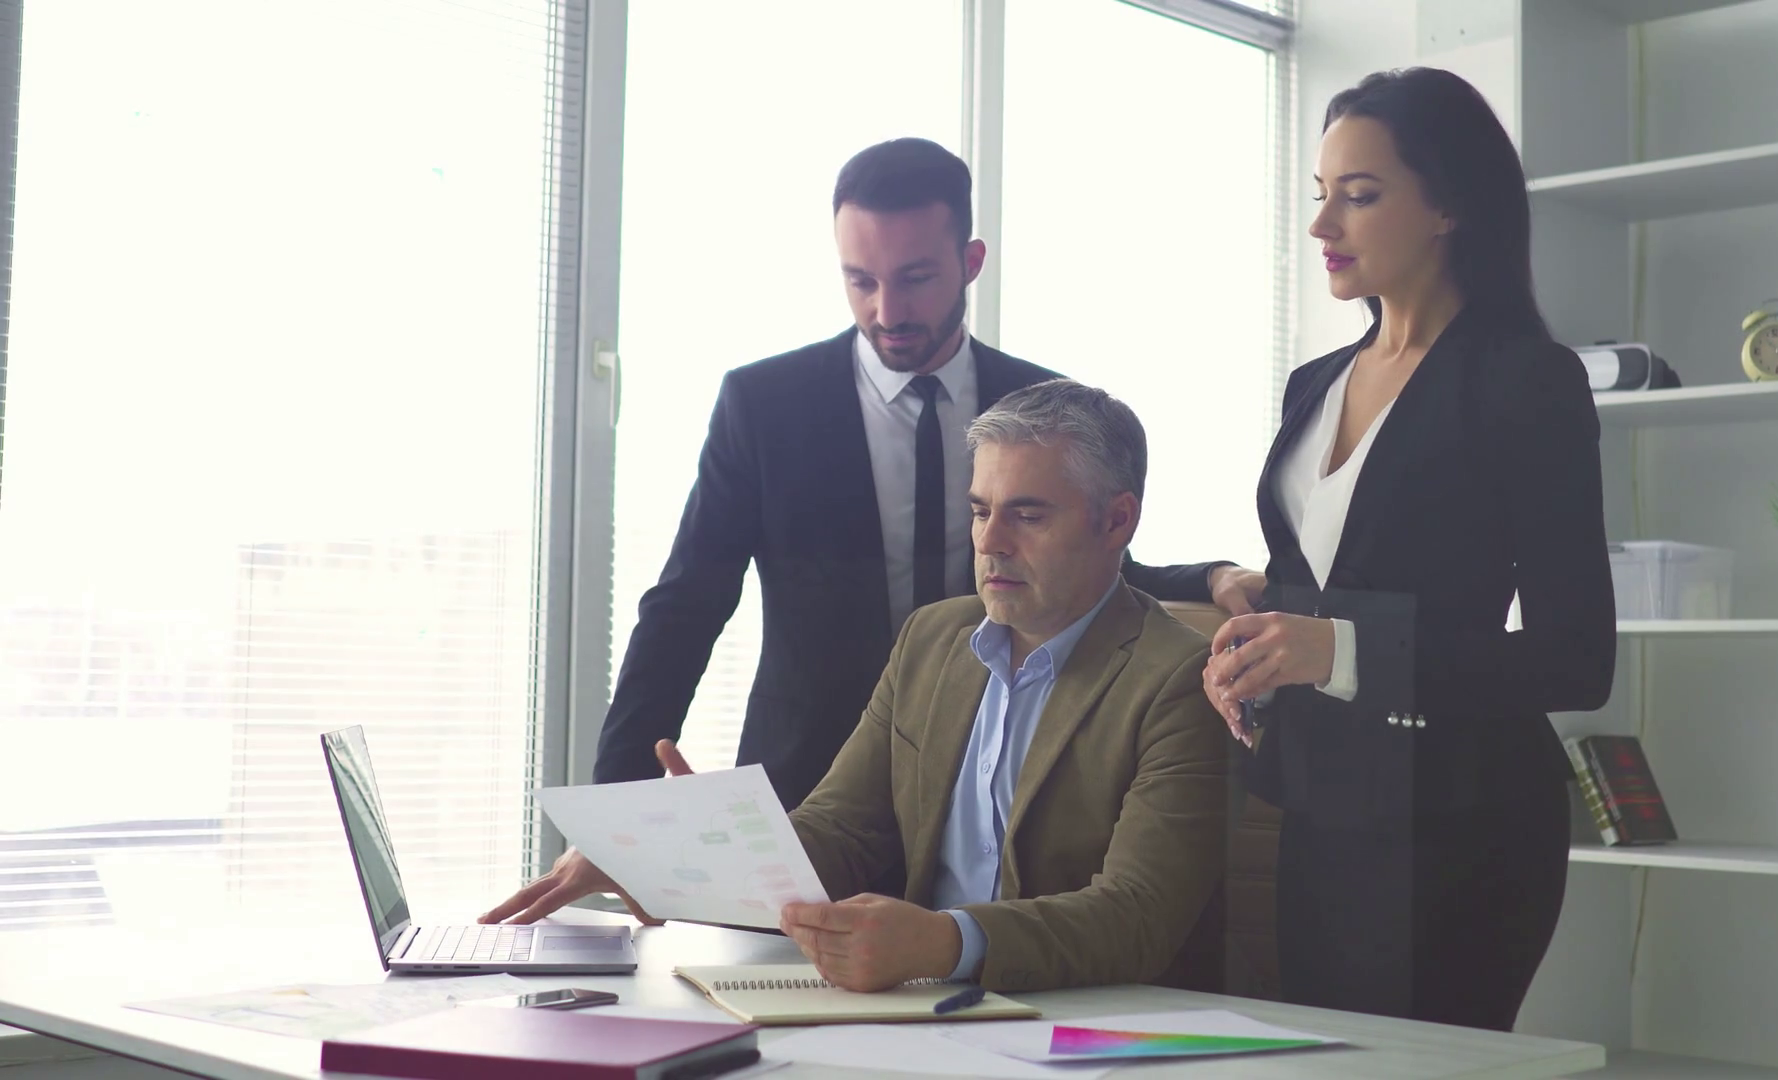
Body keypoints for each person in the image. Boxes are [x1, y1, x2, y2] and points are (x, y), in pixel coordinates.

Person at [485, 380, 1229, 994]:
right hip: (918, 1010)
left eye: (1028, 515)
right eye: (979, 510)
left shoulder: (1177, 678)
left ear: (1116, 521)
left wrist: (946, 942)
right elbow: (841, 830)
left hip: (1084, 1025)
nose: (990, 541)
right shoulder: (933, 640)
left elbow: (1137, 917)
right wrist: (667, 851)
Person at [594, 137, 1262, 813]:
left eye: (914, 278)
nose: (887, 312)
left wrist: (1210, 576)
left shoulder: (1040, 402)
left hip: (990, 778)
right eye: (861, 280)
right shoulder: (764, 404)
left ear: (970, 262)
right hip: (808, 783)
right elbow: (686, 606)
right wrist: (615, 811)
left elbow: (1082, 563)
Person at [1201, 67, 1616, 1032]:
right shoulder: (1315, 382)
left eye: (1361, 195)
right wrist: (1257, 641)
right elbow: (1325, 579)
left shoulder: (1528, 381)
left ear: (1448, 207)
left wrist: (1336, 650)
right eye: (1321, 195)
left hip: (1466, 823)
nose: (1323, 227)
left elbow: (1577, 659)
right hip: (1319, 810)